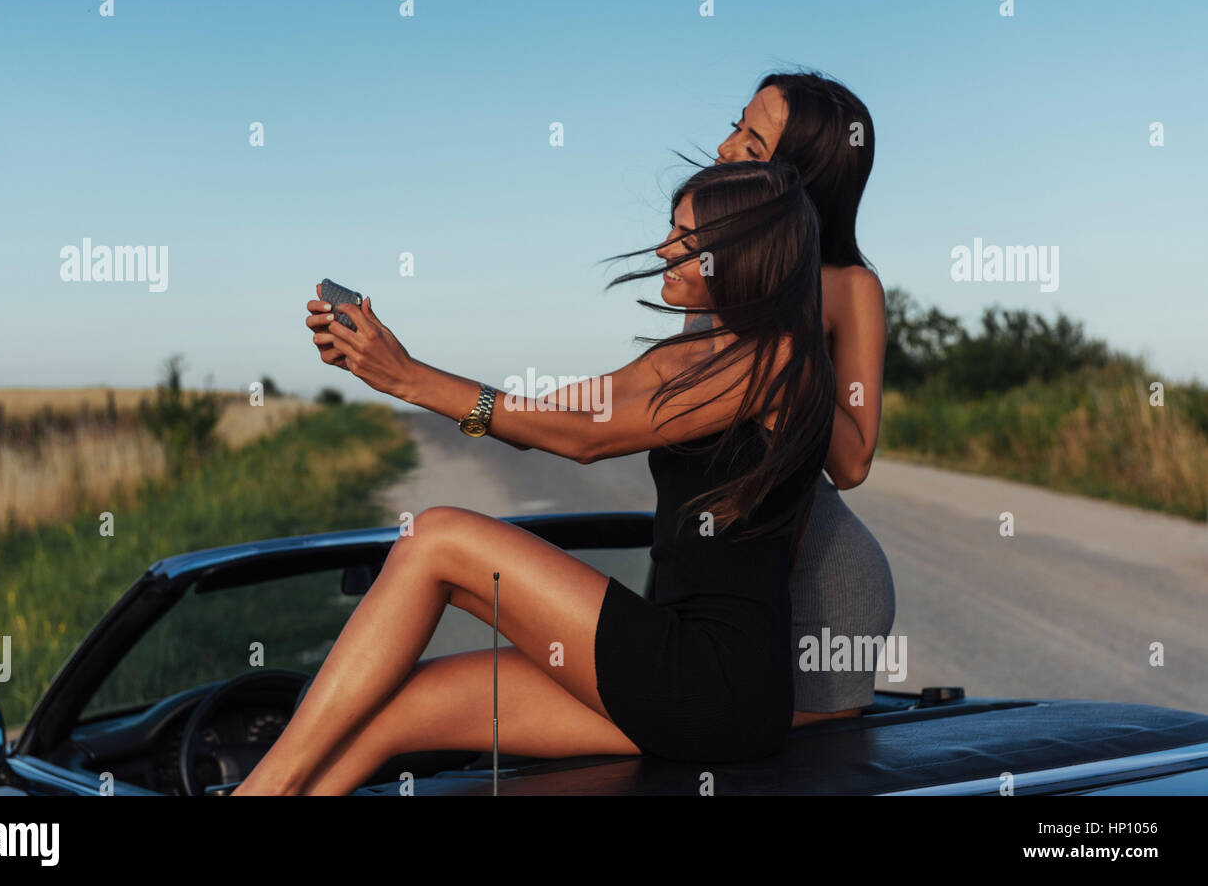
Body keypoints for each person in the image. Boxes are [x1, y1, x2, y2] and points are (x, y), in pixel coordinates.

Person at [233, 158, 834, 795]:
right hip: (670, 669)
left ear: (741, 251)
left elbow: (587, 440)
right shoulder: (690, 356)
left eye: (685, 240)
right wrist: (382, 362)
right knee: (393, 710)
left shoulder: (778, 362)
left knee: (435, 538)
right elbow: (550, 418)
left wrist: (407, 379)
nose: (663, 250)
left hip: (716, 684)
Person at [712, 71, 896, 724]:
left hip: (823, 585)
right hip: (724, 581)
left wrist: (784, 335)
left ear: (797, 179)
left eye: (752, 143)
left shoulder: (850, 288)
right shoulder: (712, 274)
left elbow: (851, 464)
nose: (725, 147)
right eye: (735, 125)